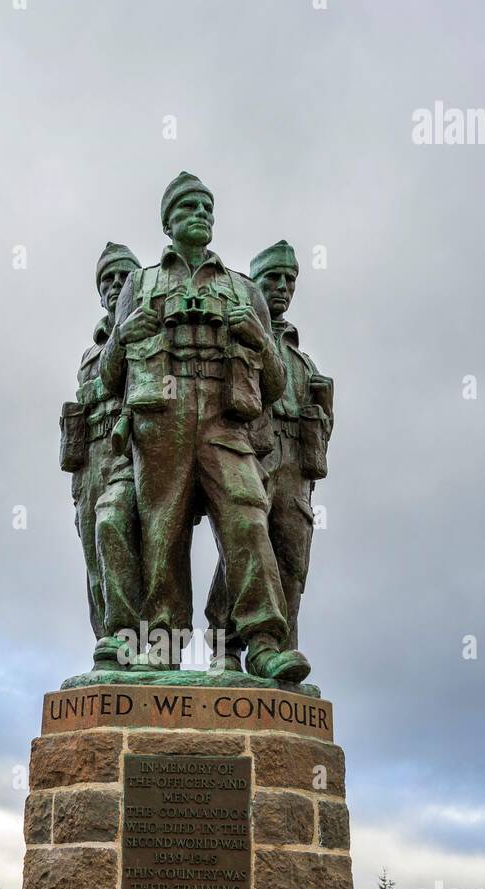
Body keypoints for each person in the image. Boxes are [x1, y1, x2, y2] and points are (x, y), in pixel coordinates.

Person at [100, 173, 310, 682]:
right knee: (162, 533)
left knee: (246, 519)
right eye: (190, 207)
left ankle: (261, 643)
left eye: (207, 208)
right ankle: (163, 645)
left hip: (224, 421)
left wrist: (256, 336)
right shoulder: (140, 283)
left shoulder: (241, 287)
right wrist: (123, 335)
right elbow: (111, 379)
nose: (201, 215)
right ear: (168, 221)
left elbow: (277, 387)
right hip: (161, 423)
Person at [207, 240, 333, 662]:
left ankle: (280, 651)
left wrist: (325, 409)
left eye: (289, 280)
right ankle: (225, 643)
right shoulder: (237, 333)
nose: (281, 287)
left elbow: (324, 428)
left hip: (296, 466)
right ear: (255, 286)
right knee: (245, 543)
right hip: (254, 453)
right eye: (272, 279)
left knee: (292, 563)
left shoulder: (304, 360)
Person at [60, 242, 142, 667]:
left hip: (129, 449)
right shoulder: (91, 351)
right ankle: (110, 645)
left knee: (117, 531)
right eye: (106, 279)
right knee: (95, 561)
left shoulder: (146, 328)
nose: (114, 286)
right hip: (89, 457)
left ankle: (132, 638)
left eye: (121, 277)